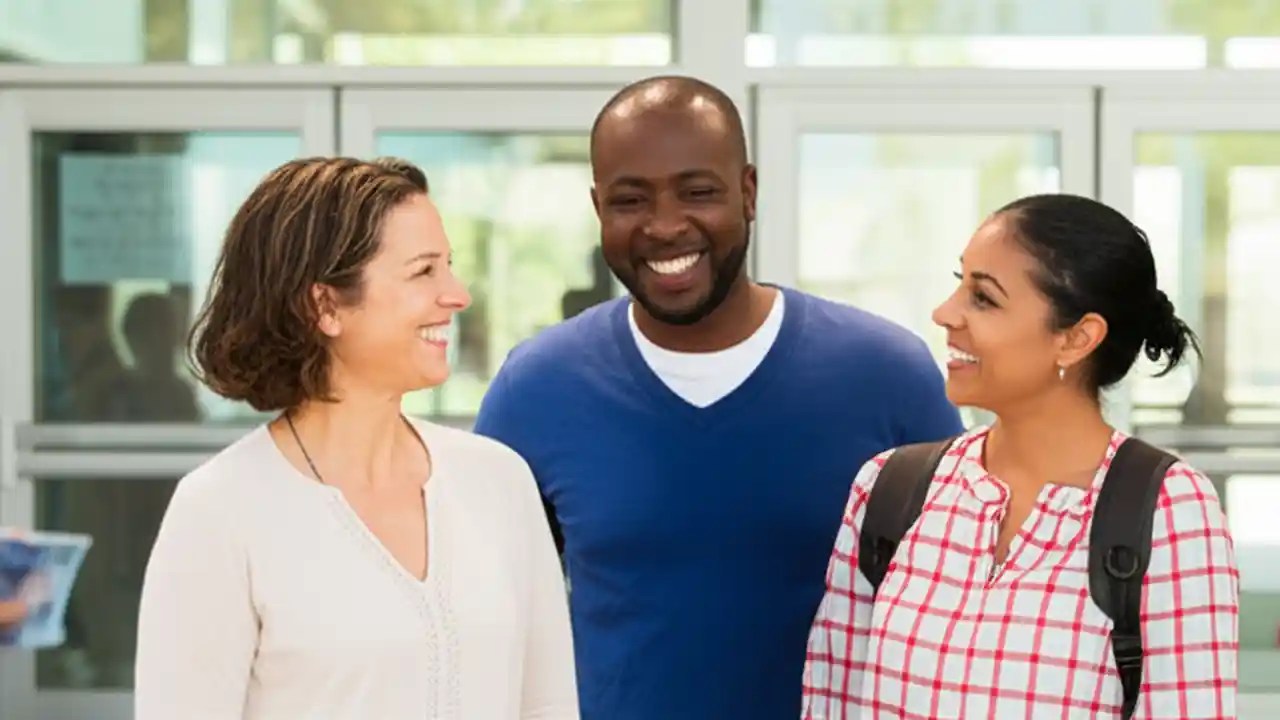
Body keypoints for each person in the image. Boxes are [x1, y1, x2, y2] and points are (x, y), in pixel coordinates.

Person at [472, 75, 963, 719]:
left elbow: (963, 610)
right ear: (599, 209)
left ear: (748, 193)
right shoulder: (535, 387)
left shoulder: (886, 374)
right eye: (630, 200)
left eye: (698, 192)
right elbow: (488, 615)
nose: (665, 225)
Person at [135, 157, 578, 719]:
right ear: (324, 306)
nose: (457, 294)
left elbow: (549, 707)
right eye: (424, 271)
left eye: (449, 266)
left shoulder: (500, 481)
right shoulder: (221, 509)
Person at [801, 193, 1240, 718]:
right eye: (959, 283)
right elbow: (832, 704)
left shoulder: (1169, 509)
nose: (945, 313)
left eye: (983, 298)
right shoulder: (888, 489)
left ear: (1077, 338)